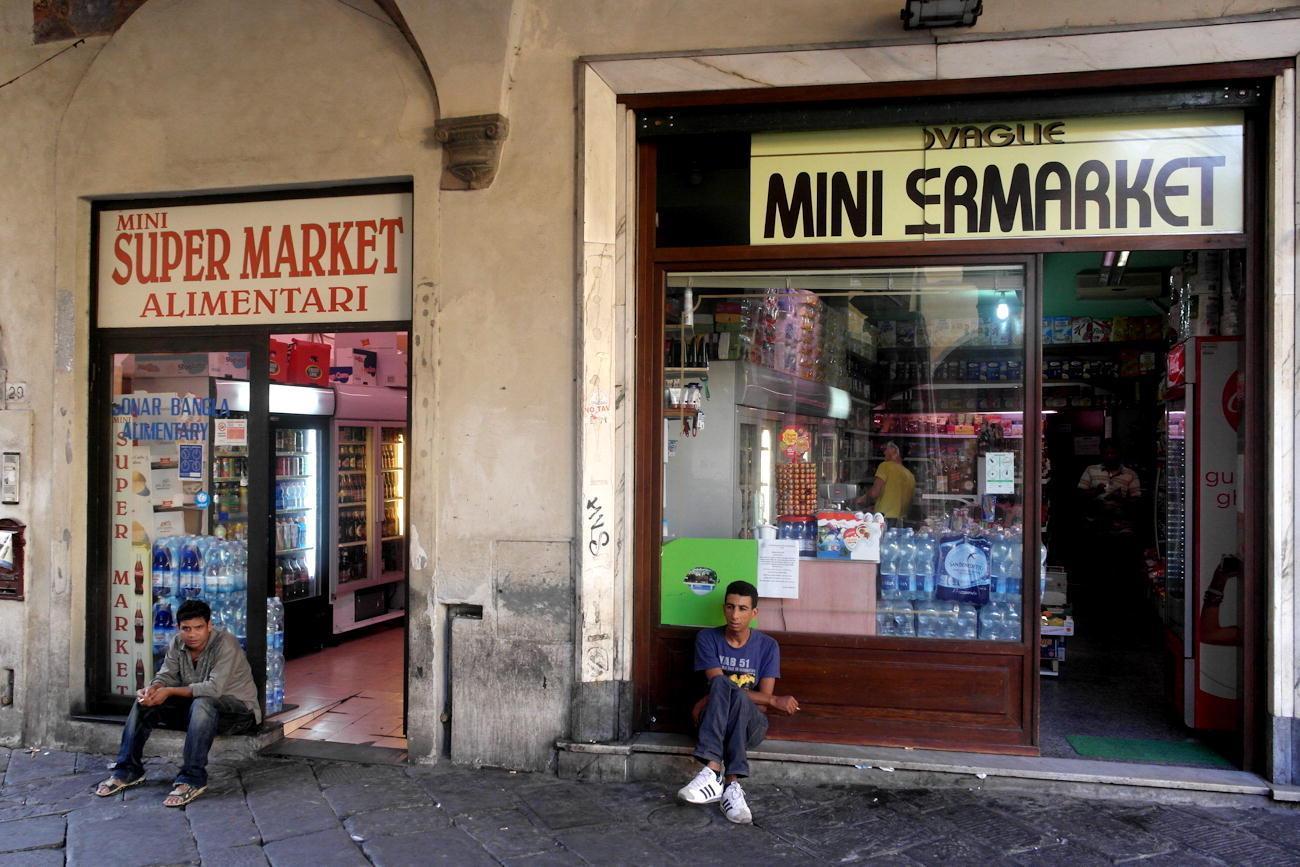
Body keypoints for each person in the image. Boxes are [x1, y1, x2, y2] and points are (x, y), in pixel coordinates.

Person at [94, 599, 260, 807]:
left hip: (237, 714)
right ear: (178, 628)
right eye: (186, 629)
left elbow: (214, 689)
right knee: (144, 703)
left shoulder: (226, 643)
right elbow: (166, 675)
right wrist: (153, 689)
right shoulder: (177, 642)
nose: (192, 634)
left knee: (204, 703)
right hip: (196, 712)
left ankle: (192, 778)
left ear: (209, 626)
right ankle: (127, 769)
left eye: (198, 628)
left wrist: (169, 691)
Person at [677, 580, 799, 824]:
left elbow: (761, 706)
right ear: (724, 608)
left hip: (750, 726)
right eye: (730, 607)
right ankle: (730, 784)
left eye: (743, 609)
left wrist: (765, 700)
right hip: (712, 722)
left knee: (736, 696)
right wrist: (775, 700)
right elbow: (719, 684)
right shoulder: (708, 638)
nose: (735, 615)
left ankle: (713, 773)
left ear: (754, 613)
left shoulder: (767, 646)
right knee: (721, 684)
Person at [1077, 439, 1141, 535]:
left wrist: (1120, 499)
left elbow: (1137, 503)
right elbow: (1079, 495)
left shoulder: (1130, 474)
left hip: (1121, 526)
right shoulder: (1091, 470)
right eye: (1106, 453)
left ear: (1119, 454)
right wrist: (1096, 492)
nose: (1110, 456)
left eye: (1113, 453)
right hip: (1094, 523)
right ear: (1101, 454)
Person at [857, 440, 916, 520]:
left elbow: (874, 493)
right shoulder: (910, 475)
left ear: (894, 450)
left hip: (883, 517)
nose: (884, 453)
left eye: (886, 449)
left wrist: (863, 499)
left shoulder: (885, 466)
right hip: (901, 520)